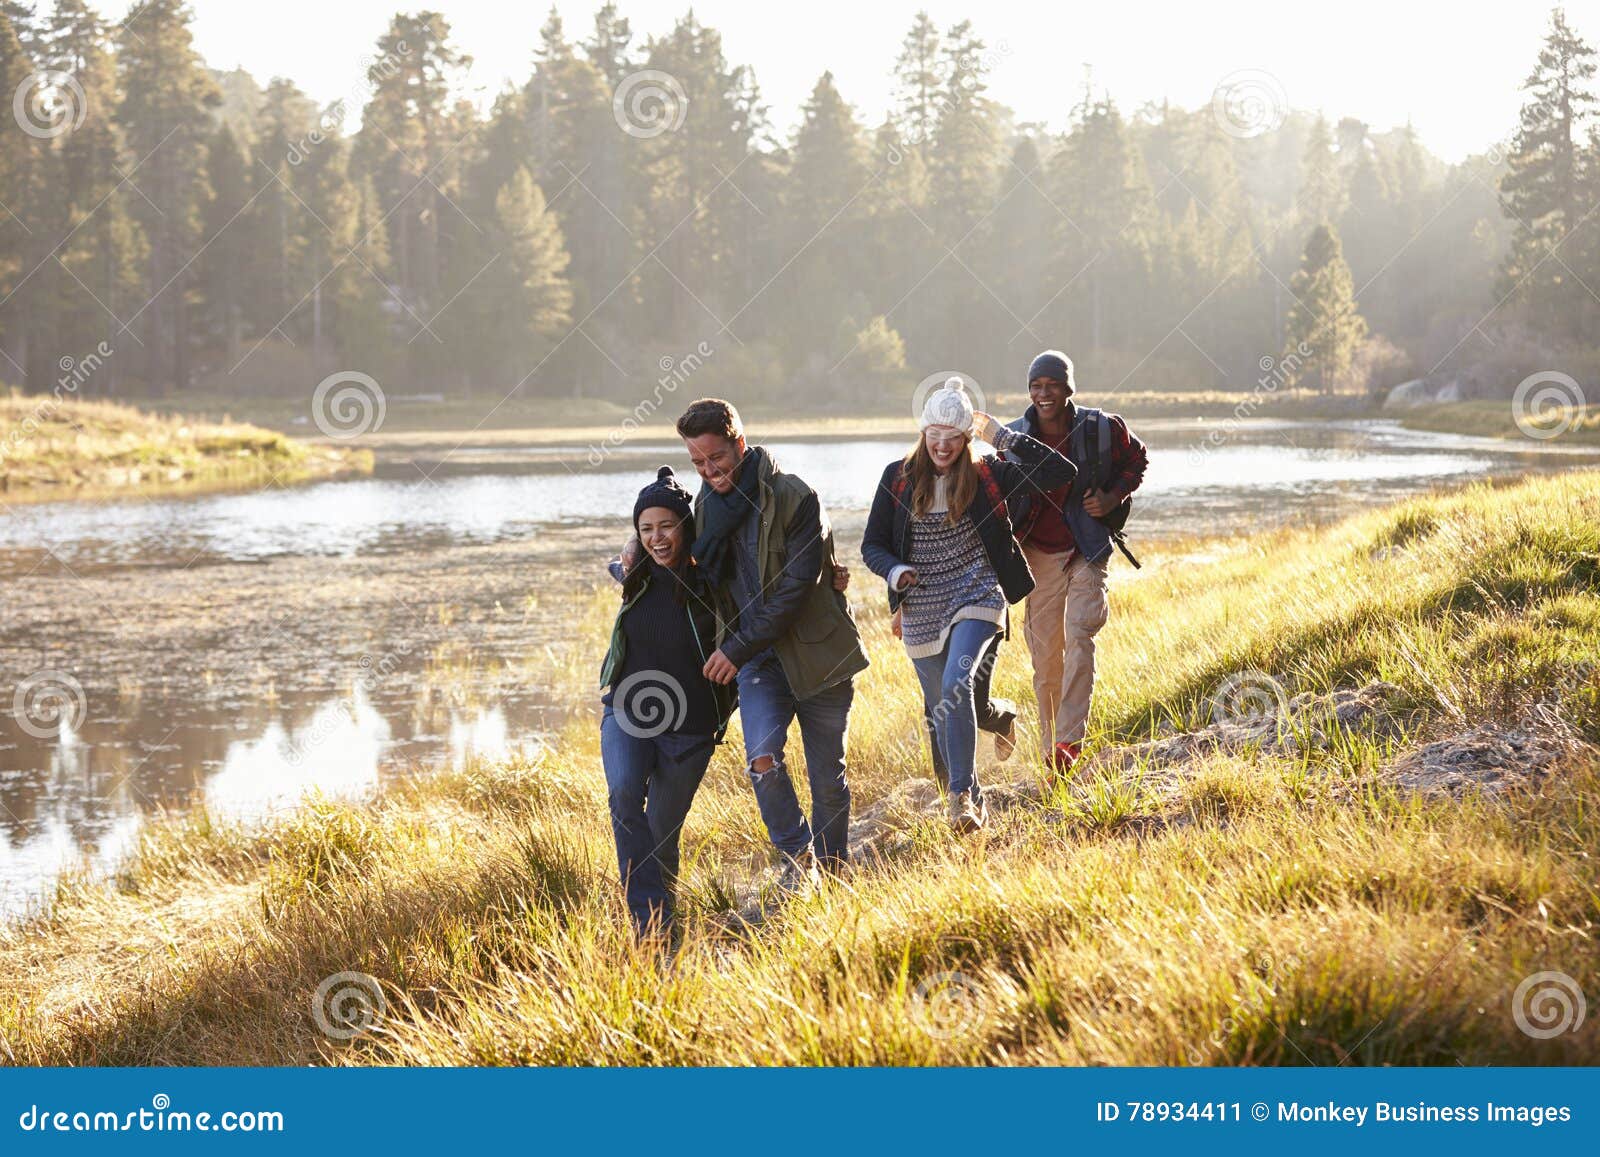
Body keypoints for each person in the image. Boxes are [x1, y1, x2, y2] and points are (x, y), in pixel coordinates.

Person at [862, 376, 1076, 831]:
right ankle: (965, 788)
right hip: (922, 605)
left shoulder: (988, 472)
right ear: (923, 436)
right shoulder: (896, 478)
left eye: (953, 438)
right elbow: (873, 546)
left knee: (959, 681)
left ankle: (962, 797)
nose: (942, 446)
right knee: (941, 707)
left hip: (976, 594)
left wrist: (1001, 434)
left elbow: (1061, 473)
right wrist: (895, 574)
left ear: (966, 438)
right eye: (934, 436)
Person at [675, 398, 869, 889]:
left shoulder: (795, 495)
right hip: (759, 661)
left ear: (739, 444)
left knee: (828, 777)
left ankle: (837, 871)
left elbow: (795, 591)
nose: (708, 470)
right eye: (697, 462)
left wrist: (733, 649)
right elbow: (674, 546)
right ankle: (800, 861)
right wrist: (634, 552)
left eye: (715, 458)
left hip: (818, 654)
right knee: (762, 759)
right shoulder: (705, 508)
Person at [598, 467, 735, 938]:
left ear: (686, 526)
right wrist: (629, 553)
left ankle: (663, 915)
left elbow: (767, 591)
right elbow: (615, 565)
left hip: (690, 728)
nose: (657, 538)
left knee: (660, 833)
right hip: (627, 712)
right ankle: (647, 922)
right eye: (646, 528)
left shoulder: (712, 581)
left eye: (667, 526)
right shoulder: (634, 574)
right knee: (623, 796)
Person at [1002, 350, 1149, 780]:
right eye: (1036, 386)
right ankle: (1051, 748)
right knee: (1046, 657)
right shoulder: (1013, 439)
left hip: (1087, 548)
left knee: (1080, 636)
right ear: (1029, 391)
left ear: (1069, 389)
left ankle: (1068, 742)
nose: (1043, 393)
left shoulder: (1101, 427)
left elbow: (1137, 460)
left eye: (1052, 385)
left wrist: (1112, 497)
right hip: (1038, 557)